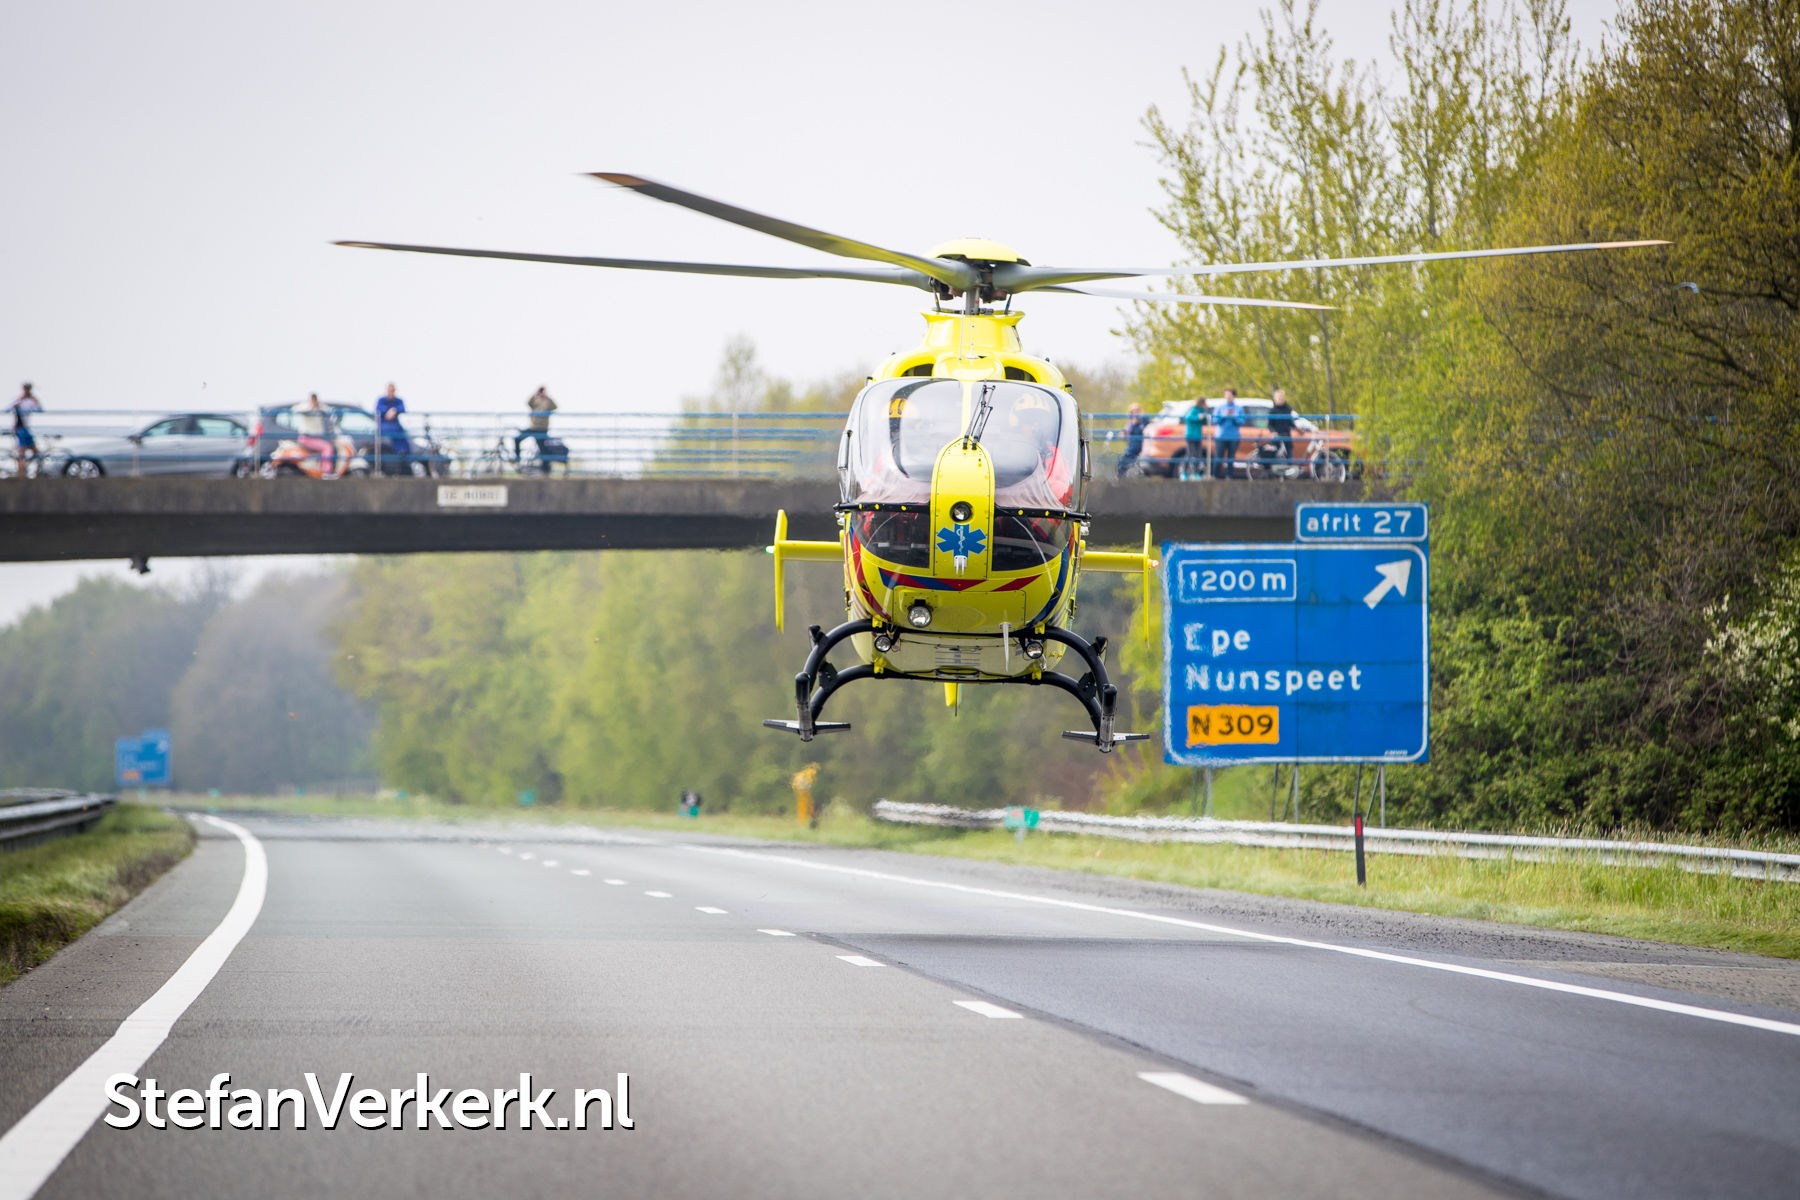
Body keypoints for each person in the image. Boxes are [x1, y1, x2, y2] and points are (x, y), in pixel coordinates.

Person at [294, 393, 336, 475]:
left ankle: (322, 469)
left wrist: (318, 407)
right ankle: (327, 471)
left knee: (326, 446)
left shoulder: (320, 407)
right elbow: (295, 409)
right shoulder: (305, 406)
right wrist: (310, 407)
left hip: (316, 437)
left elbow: (329, 410)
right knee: (327, 447)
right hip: (307, 437)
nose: (314, 402)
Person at [375, 382, 411, 472]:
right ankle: (394, 455)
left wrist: (394, 410)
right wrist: (387, 411)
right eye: (389, 391)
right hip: (384, 426)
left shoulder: (398, 400)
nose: (391, 393)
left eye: (392, 391)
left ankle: (405, 458)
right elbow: (377, 409)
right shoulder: (381, 400)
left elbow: (402, 408)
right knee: (389, 440)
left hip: (396, 426)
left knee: (403, 438)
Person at [514, 386, 557, 460]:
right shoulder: (535, 399)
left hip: (542, 429)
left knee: (543, 449)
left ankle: (545, 469)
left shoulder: (548, 401)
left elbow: (555, 407)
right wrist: (535, 393)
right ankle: (517, 460)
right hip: (533, 427)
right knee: (517, 439)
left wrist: (547, 396)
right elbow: (528, 403)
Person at [10, 383, 42, 476]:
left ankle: (37, 470)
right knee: (22, 451)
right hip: (19, 428)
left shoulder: (30, 401)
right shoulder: (18, 400)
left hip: (26, 428)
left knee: (35, 450)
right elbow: (8, 408)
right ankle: (21, 473)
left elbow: (39, 409)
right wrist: (19, 400)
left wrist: (35, 400)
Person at [1212, 386, 1244, 479]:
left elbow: (1241, 421)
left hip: (1234, 436)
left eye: (1230, 395)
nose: (1228, 397)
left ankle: (1229, 476)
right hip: (1221, 436)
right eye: (1226, 395)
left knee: (1231, 457)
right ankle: (1215, 476)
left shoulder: (1238, 408)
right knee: (1219, 456)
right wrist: (1223, 416)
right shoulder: (1220, 407)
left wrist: (1234, 417)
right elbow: (1214, 420)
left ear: (1234, 396)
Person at [1116, 402, 1147, 477]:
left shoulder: (1145, 420)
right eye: (1133, 411)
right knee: (1122, 463)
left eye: (1137, 410)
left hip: (1143, 448)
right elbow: (1123, 433)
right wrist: (1124, 434)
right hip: (1133, 449)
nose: (1135, 413)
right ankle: (1120, 481)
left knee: (1147, 466)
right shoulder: (1130, 423)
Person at [1269, 387, 1296, 471]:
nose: (1280, 399)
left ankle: (1289, 471)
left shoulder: (1288, 409)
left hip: (1286, 434)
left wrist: (1296, 427)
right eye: (1278, 397)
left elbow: (1290, 422)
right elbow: (1270, 424)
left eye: (1281, 397)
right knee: (1276, 453)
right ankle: (1276, 471)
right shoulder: (1272, 411)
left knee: (1289, 453)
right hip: (1277, 435)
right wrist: (1273, 432)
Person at [1183, 395, 1209, 481]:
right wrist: (1198, 417)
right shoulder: (1193, 410)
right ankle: (1184, 473)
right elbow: (1187, 417)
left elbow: (1204, 422)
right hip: (1190, 435)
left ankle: (1196, 473)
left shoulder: (1202, 411)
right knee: (1189, 454)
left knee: (1198, 455)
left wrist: (1204, 417)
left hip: (1198, 436)